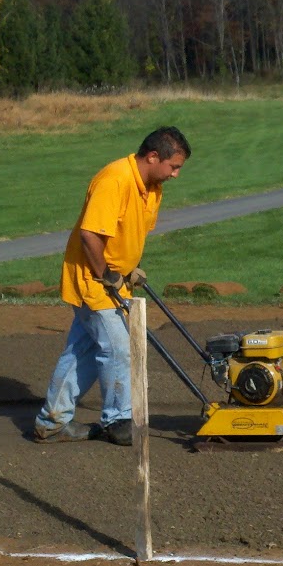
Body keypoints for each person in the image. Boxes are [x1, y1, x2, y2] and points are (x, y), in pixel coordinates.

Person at [34, 126, 190, 446]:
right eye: (173, 166)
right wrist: (108, 274)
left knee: (84, 351)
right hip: (93, 280)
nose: (175, 174)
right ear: (152, 156)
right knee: (120, 346)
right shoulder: (115, 180)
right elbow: (90, 235)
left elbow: (126, 233)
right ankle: (118, 420)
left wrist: (129, 270)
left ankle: (52, 420)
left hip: (111, 279)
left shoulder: (151, 188)